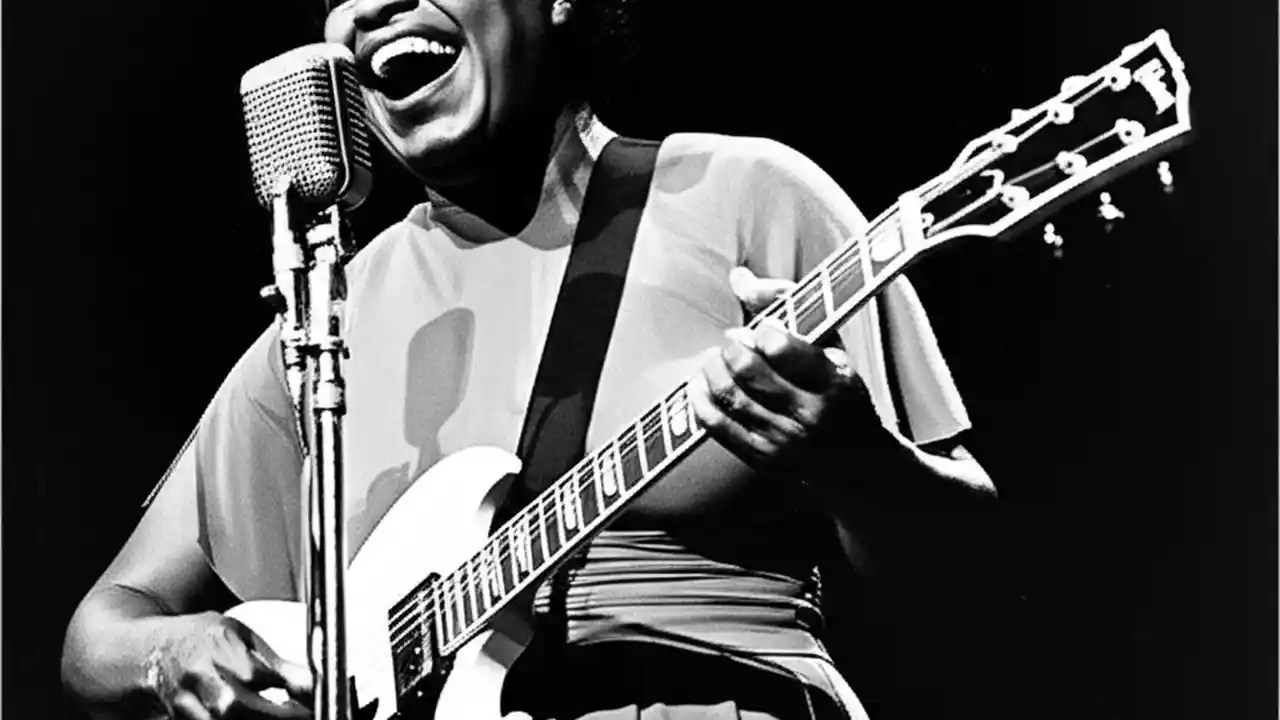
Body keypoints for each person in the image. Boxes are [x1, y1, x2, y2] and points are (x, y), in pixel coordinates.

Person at [60, 0, 999, 718]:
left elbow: (976, 585)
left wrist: (855, 464)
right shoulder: (327, 317)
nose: (370, 5)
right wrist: (176, 650)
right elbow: (102, 628)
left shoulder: (742, 195)